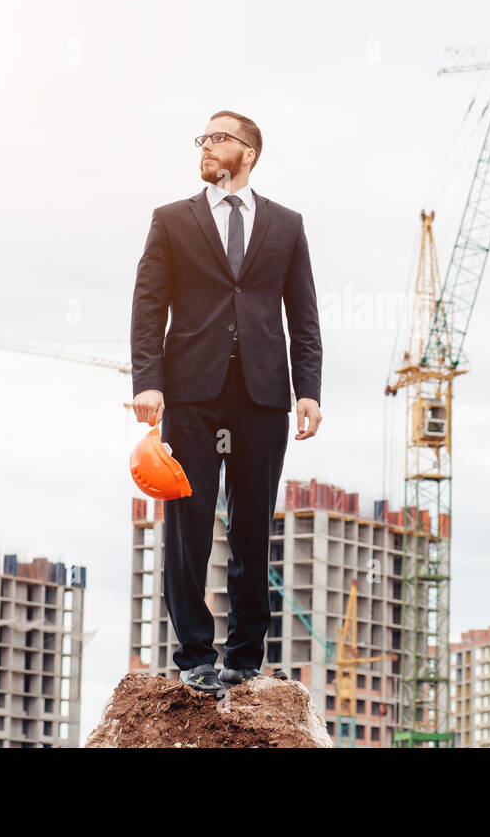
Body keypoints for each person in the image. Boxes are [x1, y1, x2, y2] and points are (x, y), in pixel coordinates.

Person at [130, 109, 323, 695]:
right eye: (203, 138)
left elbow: (304, 314)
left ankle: (243, 655)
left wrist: (308, 389)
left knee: (251, 529)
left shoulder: (287, 225)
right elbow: (148, 304)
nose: (207, 146)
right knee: (188, 524)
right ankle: (193, 654)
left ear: (250, 152)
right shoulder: (171, 220)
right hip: (191, 392)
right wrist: (147, 380)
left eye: (219, 138)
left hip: (263, 395)